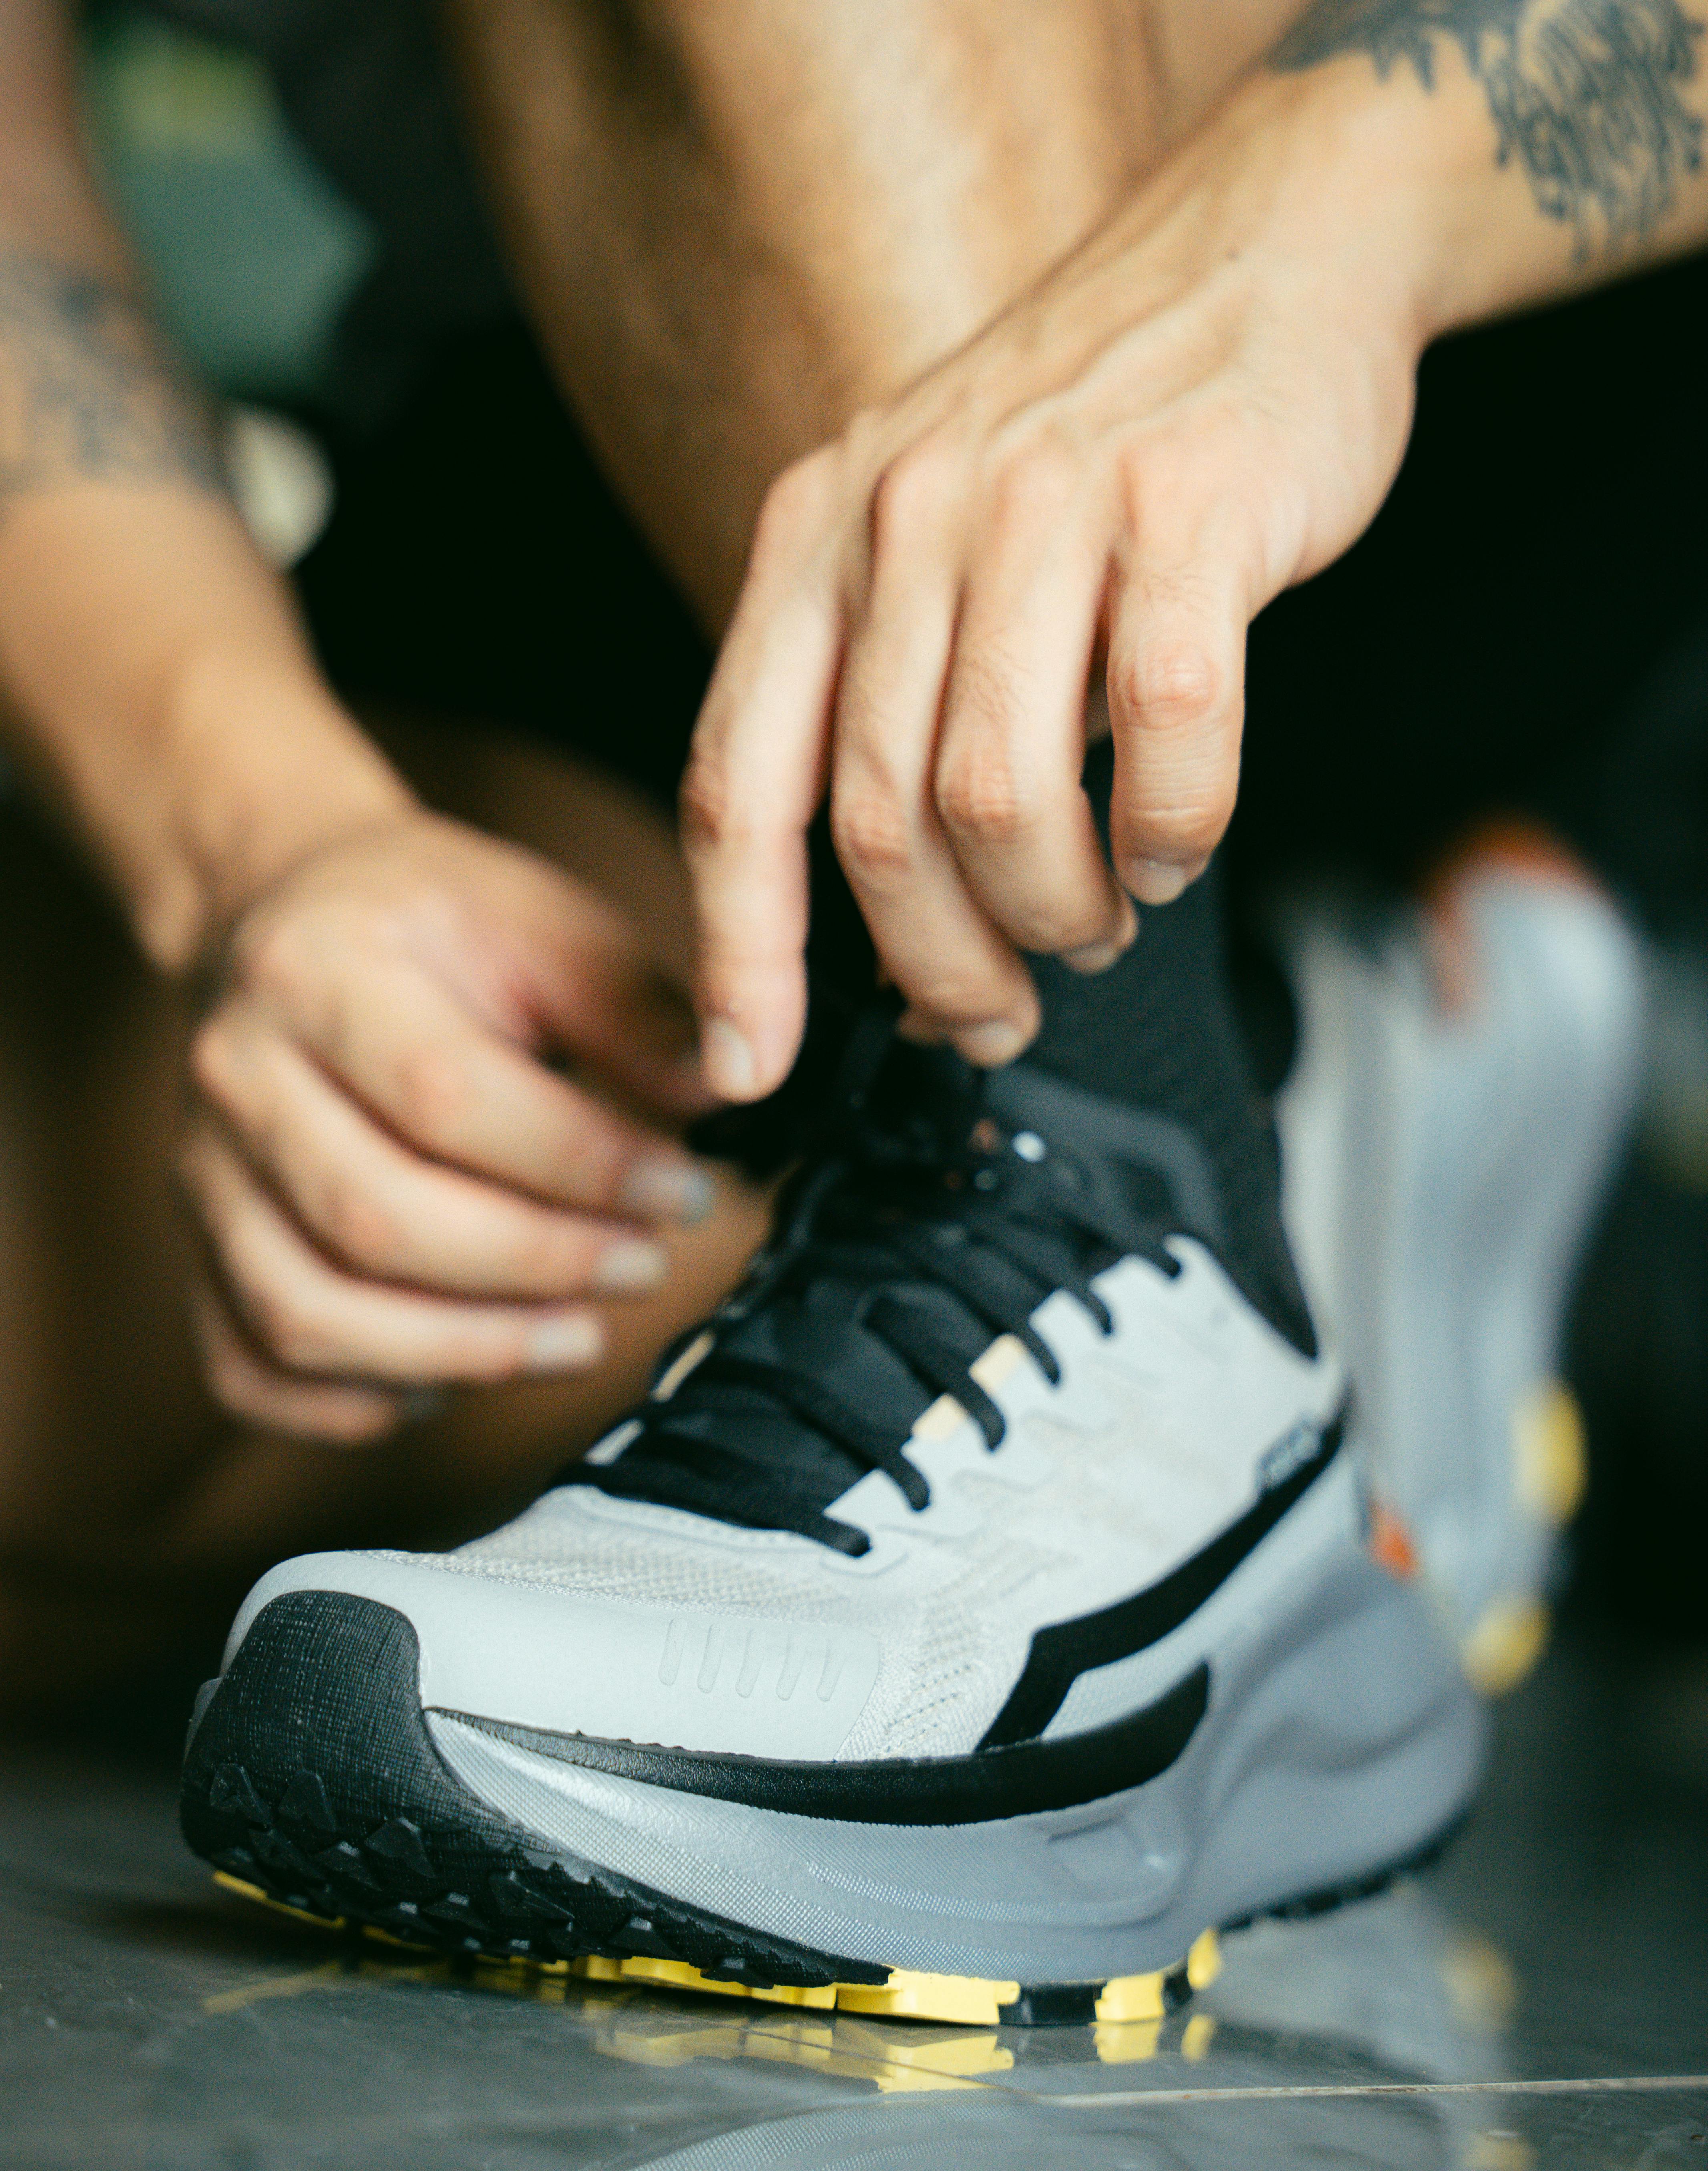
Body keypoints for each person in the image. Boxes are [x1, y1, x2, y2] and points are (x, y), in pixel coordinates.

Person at [6, 3, 1706, 2010]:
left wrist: (1323, 207)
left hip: (1456, 311)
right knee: (102, 1360)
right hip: (652, 425)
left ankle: (1111, 1152)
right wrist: (262, 843)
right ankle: (1264, 1119)